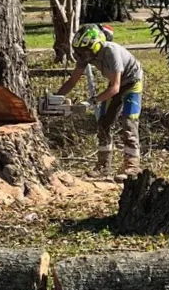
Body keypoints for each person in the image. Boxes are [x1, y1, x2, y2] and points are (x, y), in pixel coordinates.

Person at [54, 24, 144, 177]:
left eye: (85, 51)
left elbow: (115, 88)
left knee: (129, 122)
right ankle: (103, 166)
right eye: (79, 52)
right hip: (115, 85)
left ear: (96, 46)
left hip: (132, 83)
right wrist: (55, 98)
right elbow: (73, 81)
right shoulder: (85, 57)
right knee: (103, 123)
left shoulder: (111, 52)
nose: (81, 55)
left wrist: (91, 102)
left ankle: (132, 166)